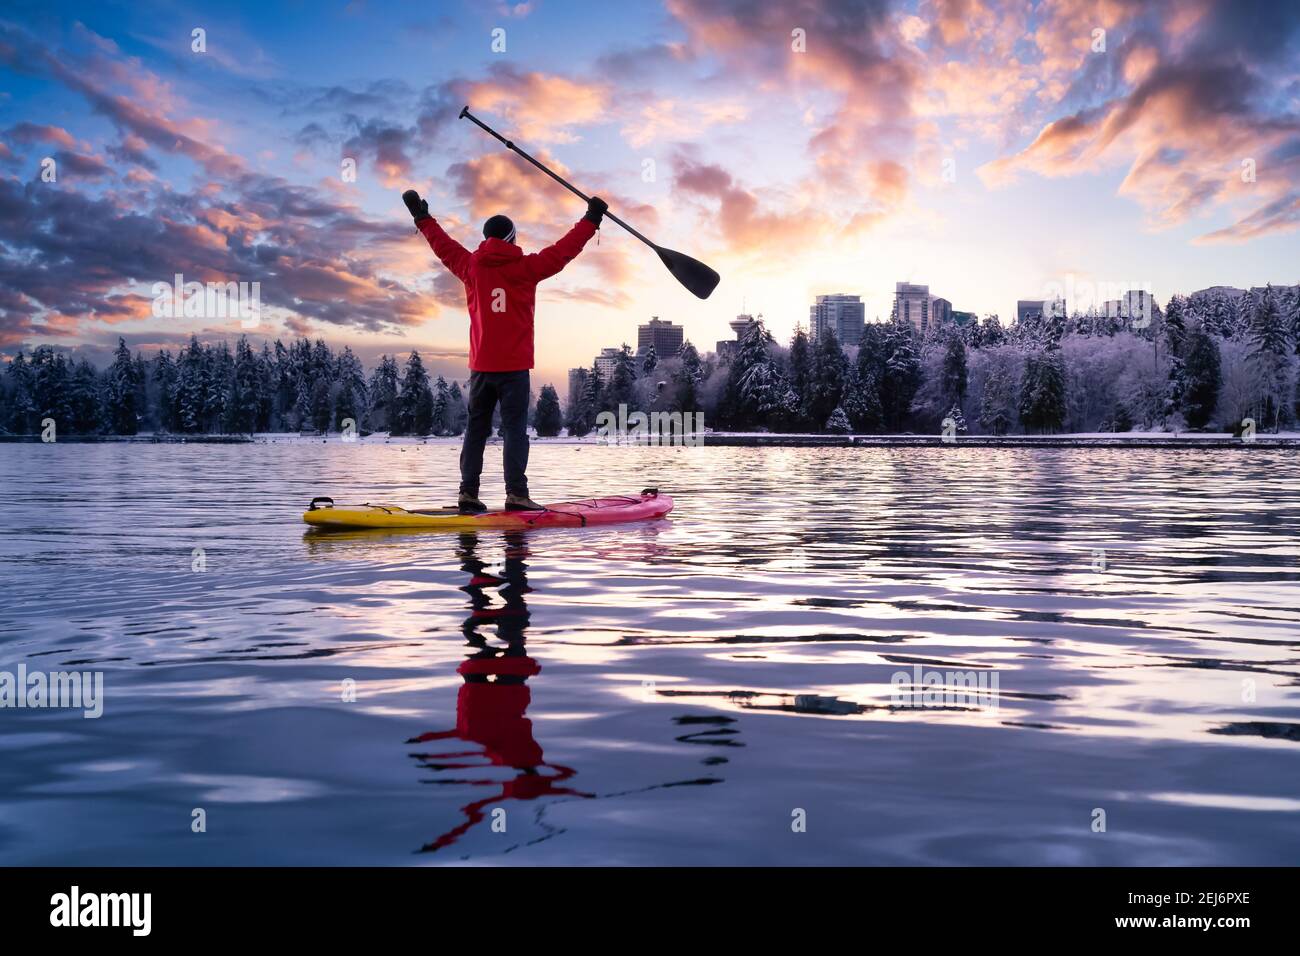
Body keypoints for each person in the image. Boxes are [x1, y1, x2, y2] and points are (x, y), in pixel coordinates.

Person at [402, 188, 608, 513]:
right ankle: (516, 495)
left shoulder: (471, 266)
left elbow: (442, 246)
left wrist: (422, 217)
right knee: (514, 431)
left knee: (476, 431)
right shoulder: (526, 267)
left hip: (481, 367)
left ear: (485, 240)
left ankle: (467, 494)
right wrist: (591, 219)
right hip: (513, 369)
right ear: (512, 239)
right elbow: (563, 251)